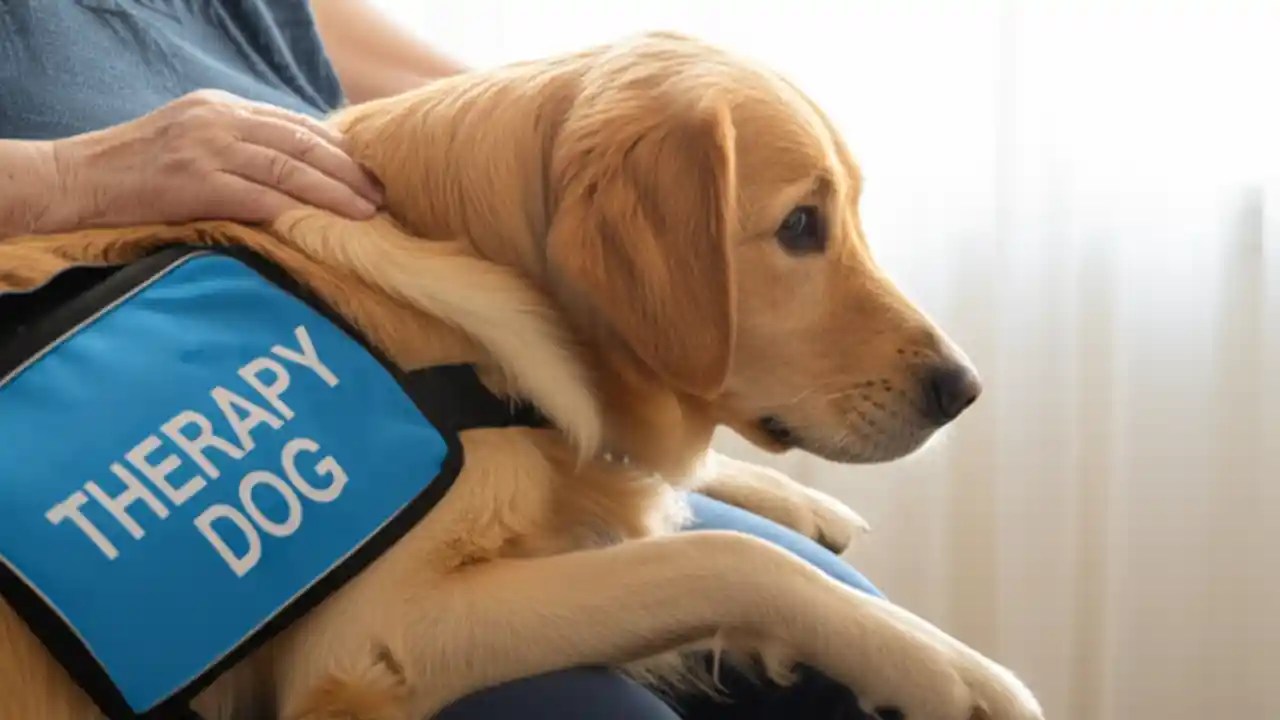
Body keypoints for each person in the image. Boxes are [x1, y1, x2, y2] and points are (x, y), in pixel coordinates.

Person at [0, 2, 882, 717]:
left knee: (841, 641)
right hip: (148, 414)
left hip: (408, 374)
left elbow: (407, 91)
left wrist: (610, 163)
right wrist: (64, 178)